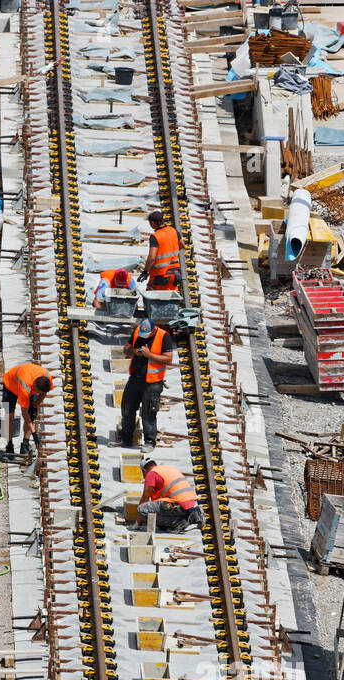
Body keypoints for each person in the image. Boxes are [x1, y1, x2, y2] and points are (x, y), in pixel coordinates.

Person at [116, 318, 174, 452]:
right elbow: (126, 349)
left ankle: (149, 441)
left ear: (153, 330)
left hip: (152, 383)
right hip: (135, 379)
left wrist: (149, 355)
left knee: (149, 413)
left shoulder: (163, 336)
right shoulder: (138, 331)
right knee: (127, 409)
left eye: (146, 333)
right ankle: (125, 439)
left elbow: (168, 359)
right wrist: (134, 351)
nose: (143, 335)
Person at [137, 457, 205, 532]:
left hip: (177, 504)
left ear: (144, 471)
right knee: (160, 523)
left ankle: (179, 522)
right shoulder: (168, 469)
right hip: (190, 502)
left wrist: (138, 522)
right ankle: (186, 519)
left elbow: (145, 499)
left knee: (142, 509)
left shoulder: (151, 473)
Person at [2, 361, 53, 456]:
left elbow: (43, 393)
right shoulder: (25, 388)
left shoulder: (47, 377)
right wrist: (34, 432)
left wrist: (35, 406)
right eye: (38, 392)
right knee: (9, 414)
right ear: (35, 387)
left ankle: (25, 443)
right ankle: (9, 444)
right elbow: (24, 413)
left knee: (33, 413)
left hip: (25, 380)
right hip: (9, 384)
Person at [137, 209, 181, 292]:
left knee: (153, 298)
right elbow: (182, 245)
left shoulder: (155, 236)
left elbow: (152, 257)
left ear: (153, 223)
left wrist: (145, 272)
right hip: (175, 273)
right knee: (170, 299)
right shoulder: (174, 231)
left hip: (160, 275)